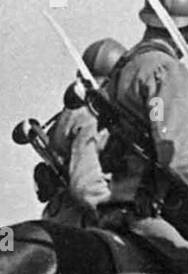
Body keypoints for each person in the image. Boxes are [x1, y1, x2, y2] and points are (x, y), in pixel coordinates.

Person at [97, 0, 188, 273]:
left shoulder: (124, 67)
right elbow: (176, 154)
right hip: (153, 211)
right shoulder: (166, 69)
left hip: (118, 206)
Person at [41, 37, 125, 227]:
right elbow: (85, 183)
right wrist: (114, 210)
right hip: (84, 221)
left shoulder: (72, 110)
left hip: (58, 213)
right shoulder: (91, 115)